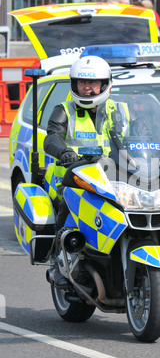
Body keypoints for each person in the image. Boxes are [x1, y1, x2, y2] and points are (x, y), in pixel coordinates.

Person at [44, 56, 114, 288]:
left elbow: (137, 136)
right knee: (68, 199)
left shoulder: (118, 110)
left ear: (104, 85)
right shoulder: (64, 109)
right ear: (74, 85)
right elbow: (52, 137)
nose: (87, 87)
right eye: (82, 82)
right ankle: (59, 259)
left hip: (110, 175)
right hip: (71, 176)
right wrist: (63, 152)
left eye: (93, 83)